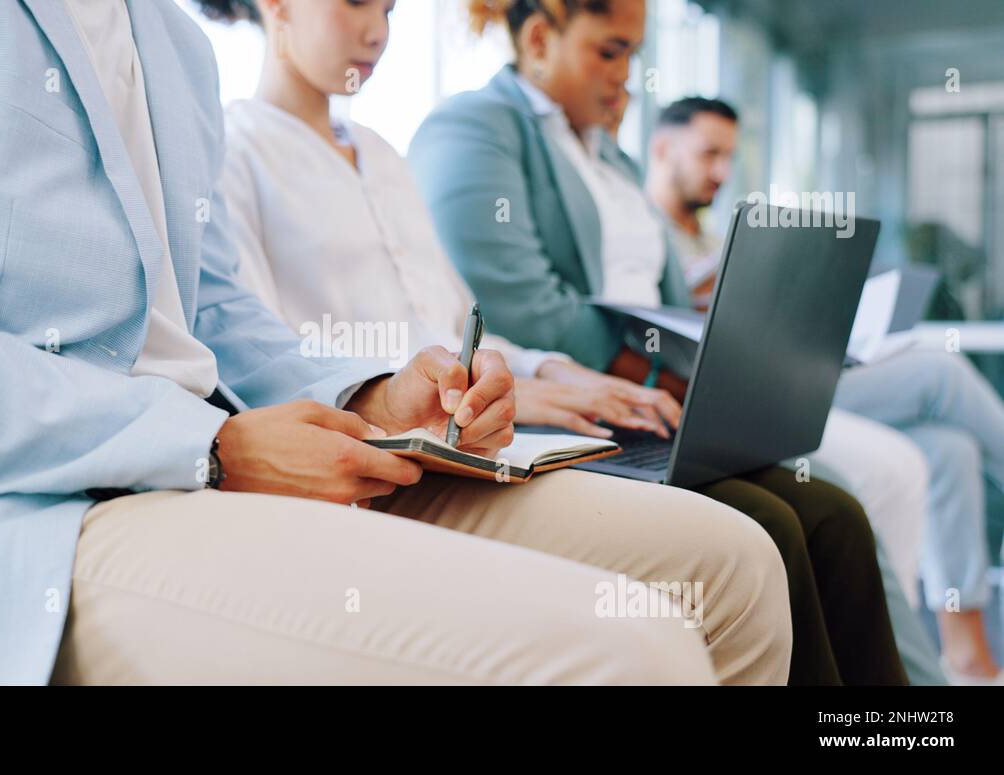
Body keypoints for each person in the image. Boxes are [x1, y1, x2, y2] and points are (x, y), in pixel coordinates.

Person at [0, 0, 790, 685]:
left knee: (731, 566)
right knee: (623, 653)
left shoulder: (167, 35)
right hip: (4, 521)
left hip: (203, 470)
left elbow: (212, 317)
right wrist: (199, 447)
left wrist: (370, 397)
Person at [196, 0, 800, 687]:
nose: (377, 32)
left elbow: (457, 319)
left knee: (758, 531)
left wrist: (547, 368)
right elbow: (254, 350)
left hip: (467, 434)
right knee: (741, 543)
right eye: (356, 2)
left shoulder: (386, 157)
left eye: (391, 9)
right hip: (375, 451)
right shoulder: (229, 149)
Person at [409, 0, 909, 685]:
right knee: (778, 523)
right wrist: (660, 372)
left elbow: (670, 302)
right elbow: (523, 303)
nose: (626, 76)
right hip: (579, 407)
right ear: (537, 39)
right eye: (609, 51)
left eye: (634, 55)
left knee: (836, 514)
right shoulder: (473, 128)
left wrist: (721, 352)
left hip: (653, 397)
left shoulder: (609, 154)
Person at [647, 96, 1004, 684]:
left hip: (797, 364)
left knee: (949, 449)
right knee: (940, 374)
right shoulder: (645, 233)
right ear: (662, 147)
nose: (720, 171)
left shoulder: (714, 239)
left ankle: (963, 656)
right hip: (754, 386)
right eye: (709, 153)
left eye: (728, 157)